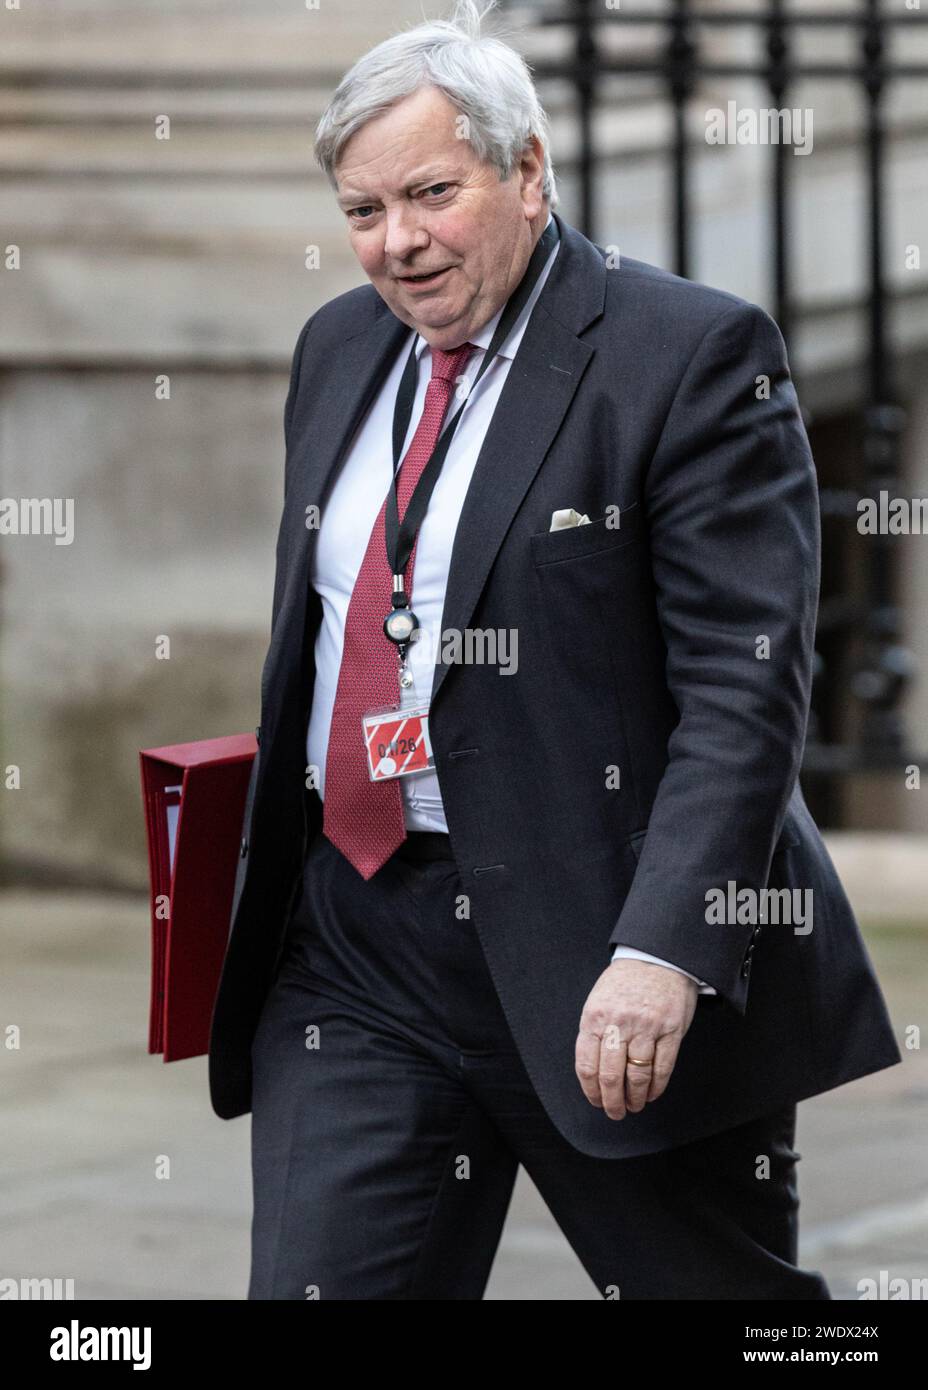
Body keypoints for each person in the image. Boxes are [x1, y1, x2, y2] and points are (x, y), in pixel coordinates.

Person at [208, 0, 901, 1299]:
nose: (398, 243)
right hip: (359, 944)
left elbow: (744, 693)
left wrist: (663, 953)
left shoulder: (690, 354)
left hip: (602, 936)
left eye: (430, 193)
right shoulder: (339, 348)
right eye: (364, 211)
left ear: (529, 172)